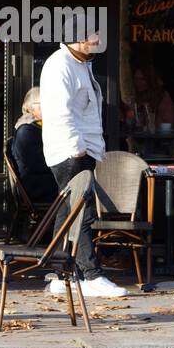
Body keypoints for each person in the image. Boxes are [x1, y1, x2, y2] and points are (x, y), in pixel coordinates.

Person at [39, 31, 128, 298]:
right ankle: (92, 275)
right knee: (82, 212)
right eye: (92, 37)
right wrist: (76, 150)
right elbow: (60, 111)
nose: (98, 42)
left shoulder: (78, 63)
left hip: (79, 150)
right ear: (74, 38)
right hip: (70, 152)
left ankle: (59, 275)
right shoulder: (61, 64)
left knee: (69, 212)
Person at [10, 87, 57, 204]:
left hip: (44, 182)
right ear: (30, 108)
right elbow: (40, 164)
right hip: (37, 188)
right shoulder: (26, 131)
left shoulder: (41, 128)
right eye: (43, 103)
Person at [125, 65, 174, 133]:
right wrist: (131, 109)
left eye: (142, 79)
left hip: (160, 138)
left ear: (150, 80)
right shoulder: (138, 97)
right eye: (136, 79)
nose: (138, 83)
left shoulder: (162, 96)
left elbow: (167, 123)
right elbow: (130, 123)